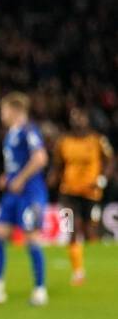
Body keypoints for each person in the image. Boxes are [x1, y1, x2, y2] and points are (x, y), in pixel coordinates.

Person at [0, 92, 49, 307]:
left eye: (4, 110)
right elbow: (19, 162)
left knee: (31, 239)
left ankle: (39, 290)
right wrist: (7, 177)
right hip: (12, 195)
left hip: (30, 194)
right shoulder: (11, 133)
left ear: (15, 110)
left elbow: (41, 158)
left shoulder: (29, 130)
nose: (1, 114)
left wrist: (20, 178)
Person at [52, 106, 113, 286]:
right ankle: (78, 272)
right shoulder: (63, 142)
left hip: (91, 193)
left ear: (87, 119)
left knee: (90, 231)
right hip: (68, 193)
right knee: (71, 229)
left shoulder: (97, 140)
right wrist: (52, 177)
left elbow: (110, 160)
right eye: (74, 116)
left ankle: (96, 270)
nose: (77, 120)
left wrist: (103, 178)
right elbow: (57, 164)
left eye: (80, 116)